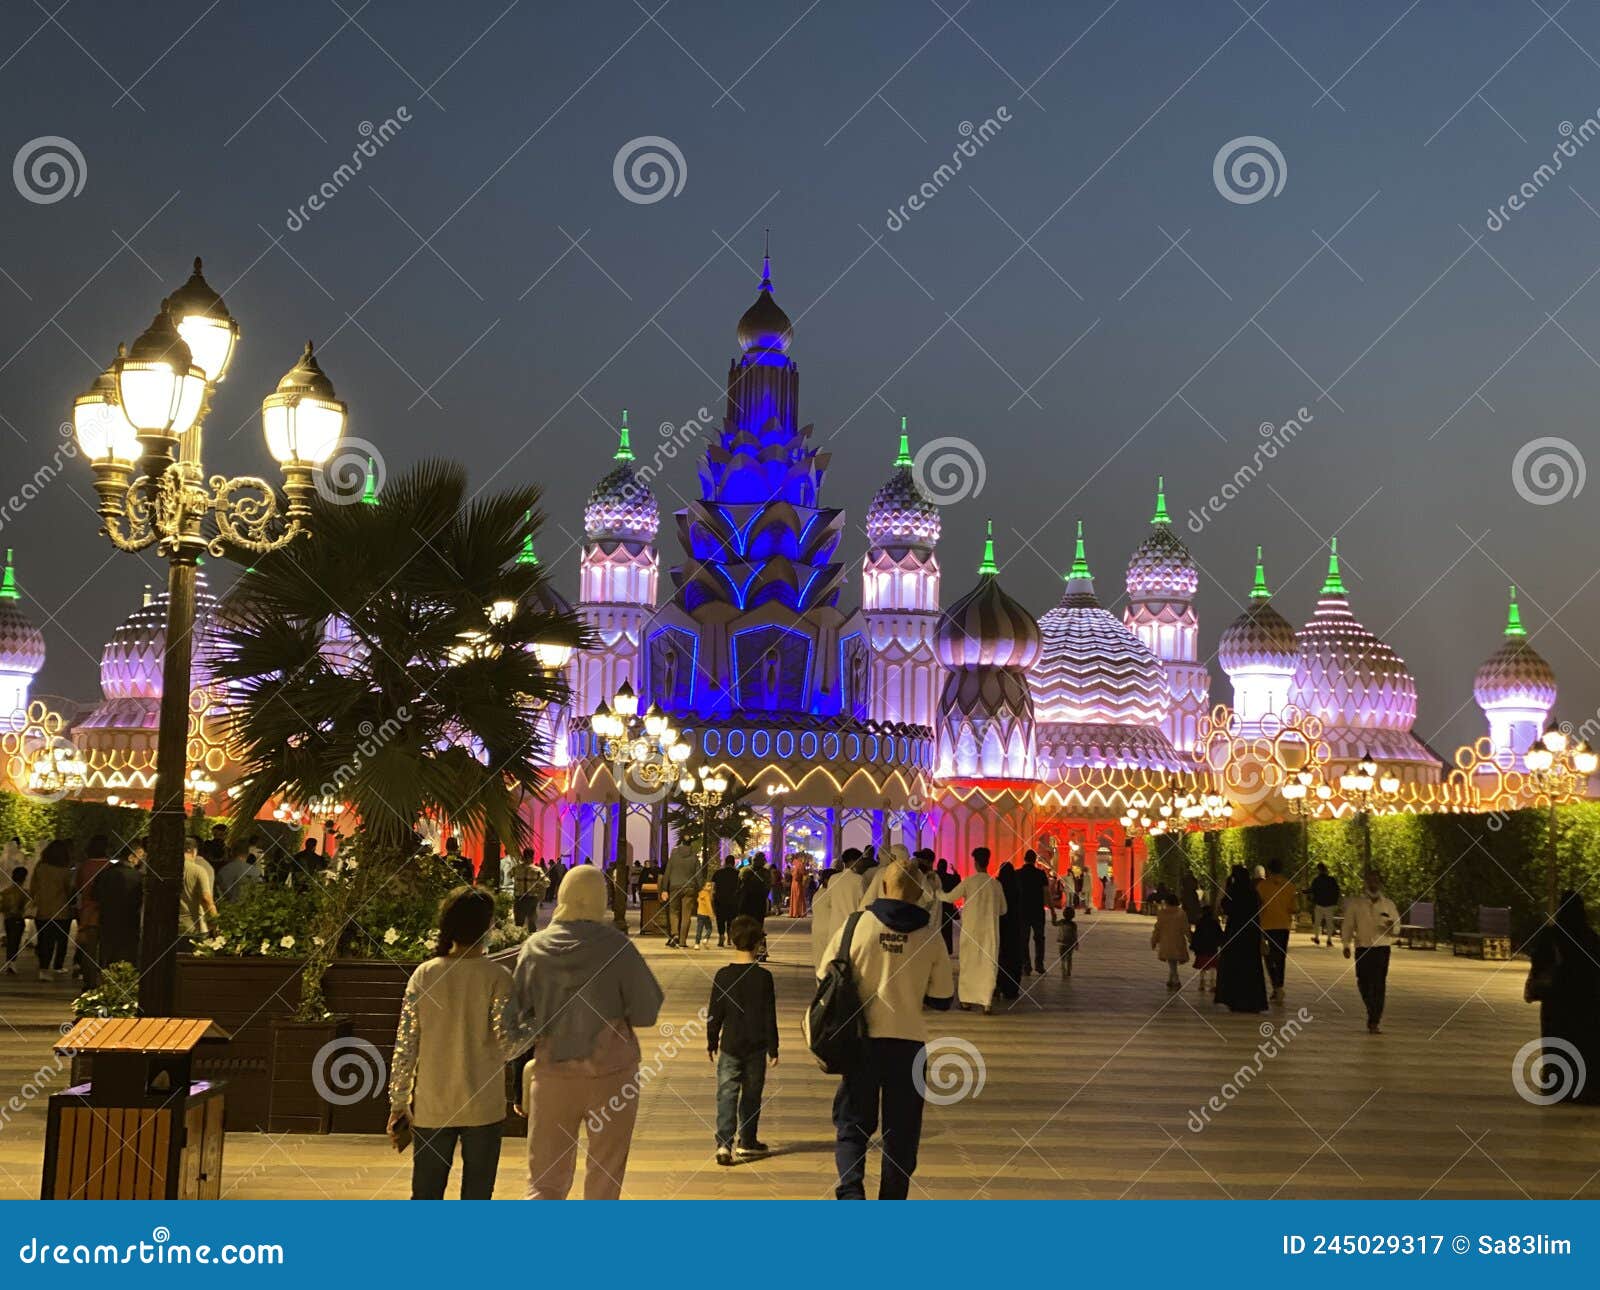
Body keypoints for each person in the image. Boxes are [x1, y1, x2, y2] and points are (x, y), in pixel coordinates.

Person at [513, 865, 664, 1199]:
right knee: (605, 1177)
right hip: (613, 1077)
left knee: (544, 1179)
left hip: (552, 1076)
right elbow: (647, 1012)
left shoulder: (535, 949)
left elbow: (518, 1015)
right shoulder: (618, 947)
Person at [820, 859, 954, 1200]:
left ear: (882, 887)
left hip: (861, 1042)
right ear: (920, 893)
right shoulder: (930, 935)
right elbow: (942, 997)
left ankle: (851, 1194)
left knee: (853, 1124)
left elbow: (824, 976)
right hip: (908, 1045)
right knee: (901, 1133)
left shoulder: (856, 926)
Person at [388, 886, 535, 1199]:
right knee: (477, 1196)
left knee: (426, 1195)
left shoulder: (424, 975)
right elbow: (510, 1045)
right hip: (484, 1107)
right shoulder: (497, 977)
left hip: (433, 1104)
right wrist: (539, 1022)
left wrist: (399, 1102)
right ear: (488, 926)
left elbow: (406, 1046)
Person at [708, 915, 779, 1164]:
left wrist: (711, 1041)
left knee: (726, 1094)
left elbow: (715, 1013)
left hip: (730, 1045)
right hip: (756, 1046)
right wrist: (773, 1048)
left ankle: (724, 1144)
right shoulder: (764, 978)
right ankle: (747, 1141)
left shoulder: (723, 976)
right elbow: (769, 1015)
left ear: (731, 940)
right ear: (759, 943)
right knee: (751, 1094)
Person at [1523, 891, 1600, 1103]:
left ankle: (1558, 1084)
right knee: (1585, 1042)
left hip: (1557, 1000)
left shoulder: (1552, 936)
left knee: (1557, 1041)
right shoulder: (1591, 938)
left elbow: (1540, 963)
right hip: (1587, 1001)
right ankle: (1588, 1087)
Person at [940, 847, 1007, 1012]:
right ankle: (986, 1003)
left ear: (975, 863)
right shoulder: (995, 884)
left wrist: (935, 892)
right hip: (990, 933)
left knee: (968, 964)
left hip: (970, 931)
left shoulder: (969, 882)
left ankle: (966, 1001)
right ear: (988, 862)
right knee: (988, 965)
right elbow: (1003, 910)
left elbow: (950, 897)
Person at [1341, 870, 1400, 1033]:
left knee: (1379, 983)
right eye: (1370, 880)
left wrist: (1392, 927)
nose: (1373, 883)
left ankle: (1375, 1019)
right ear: (1365, 883)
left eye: (1376, 880)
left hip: (1382, 948)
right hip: (1363, 947)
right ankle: (1371, 1008)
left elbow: (1397, 925)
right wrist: (1346, 944)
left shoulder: (1388, 904)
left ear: (1380, 883)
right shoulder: (1356, 904)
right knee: (1363, 981)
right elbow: (1348, 925)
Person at [1215, 865, 1267, 1013]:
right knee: (1251, 966)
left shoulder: (1233, 891)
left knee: (1234, 965)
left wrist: (1227, 886)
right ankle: (1253, 1000)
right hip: (1251, 932)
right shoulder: (1252, 892)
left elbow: (1225, 907)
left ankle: (1234, 998)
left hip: (1235, 931)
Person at [28, 840, 73, 981]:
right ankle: (58, 965)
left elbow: (33, 887)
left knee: (44, 940)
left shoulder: (40, 867)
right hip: (61, 910)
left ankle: (43, 968)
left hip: (43, 910)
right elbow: (69, 889)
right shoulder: (65, 870)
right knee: (61, 939)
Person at [93, 848, 143, 972]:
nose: (141, 859)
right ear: (131, 857)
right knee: (127, 955)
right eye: (139, 856)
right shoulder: (137, 876)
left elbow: (95, 895)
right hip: (130, 922)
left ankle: (106, 976)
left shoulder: (105, 874)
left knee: (108, 954)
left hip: (107, 920)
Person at [73, 834, 111, 988]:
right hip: (106, 913)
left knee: (89, 951)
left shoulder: (84, 866)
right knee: (105, 951)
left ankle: (89, 983)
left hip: (87, 914)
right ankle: (104, 983)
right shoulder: (110, 867)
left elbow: (78, 888)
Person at [1256, 858, 1295, 1004]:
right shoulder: (1290, 886)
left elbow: (1258, 906)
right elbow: (1293, 908)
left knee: (1268, 956)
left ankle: (1275, 986)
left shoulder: (1262, 886)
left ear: (1269, 870)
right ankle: (1280, 985)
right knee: (1280, 957)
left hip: (1266, 925)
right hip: (1283, 925)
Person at [177, 836, 217, 947]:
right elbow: (206, 899)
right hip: (196, 927)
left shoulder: (169, 869)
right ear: (193, 851)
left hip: (174, 926)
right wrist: (215, 922)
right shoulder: (199, 870)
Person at [662, 841, 703, 949]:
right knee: (686, 915)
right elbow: (698, 874)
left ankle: (675, 934)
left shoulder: (673, 855)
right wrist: (700, 888)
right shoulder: (694, 856)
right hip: (689, 888)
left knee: (673, 912)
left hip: (674, 887)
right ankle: (682, 941)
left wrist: (664, 888)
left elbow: (667, 872)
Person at [1014, 849, 1049, 974]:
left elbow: (1014, 894)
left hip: (1022, 911)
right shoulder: (1041, 874)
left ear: (1025, 859)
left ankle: (1026, 965)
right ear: (1035, 860)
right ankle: (1039, 965)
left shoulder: (1017, 874)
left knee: (1023, 939)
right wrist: (1052, 910)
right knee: (1039, 938)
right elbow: (1046, 893)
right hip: (1037, 911)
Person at [995, 858, 1025, 1000]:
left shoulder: (997, 886)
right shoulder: (1017, 887)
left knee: (1000, 956)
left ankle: (998, 984)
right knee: (1013, 957)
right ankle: (1011, 989)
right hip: (1015, 926)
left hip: (1000, 924)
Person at [1151, 892, 1190, 990]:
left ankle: (1176, 980)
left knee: (1171, 960)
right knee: (1173, 960)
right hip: (1178, 940)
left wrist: (1154, 940)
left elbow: (1158, 928)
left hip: (1166, 940)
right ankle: (1171, 979)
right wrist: (1190, 938)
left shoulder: (1162, 913)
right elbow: (1186, 928)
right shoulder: (1181, 913)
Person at [737, 853, 772, 959]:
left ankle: (746, 948)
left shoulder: (744, 871)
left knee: (746, 925)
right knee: (758, 926)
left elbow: (738, 887)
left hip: (745, 902)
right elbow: (767, 888)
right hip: (759, 903)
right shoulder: (766, 873)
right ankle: (760, 949)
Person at [1, 867, 28, 975]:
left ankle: (9, 962)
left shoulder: (6, 891)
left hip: (8, 919)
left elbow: (2, 907)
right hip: (18, 919)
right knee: (15, 941)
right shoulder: (24, 892)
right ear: (24, 878)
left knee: (11, 940)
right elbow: (26, 908)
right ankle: (11, 962)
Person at [1190, 904, 1222, 994]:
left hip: (1202, 948)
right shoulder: (1215, 923)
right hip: (1212, 948)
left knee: (1202, 967)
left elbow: (1196, 935)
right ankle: (1213, 984)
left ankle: (1202, 983)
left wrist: (1194, 946)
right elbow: (1219, 934)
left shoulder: (1200, 922)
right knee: (1213, 966)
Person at [513, 849, 548, 930]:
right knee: (532, 924)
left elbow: (508, 876)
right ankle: (531, 937)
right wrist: (538, 884)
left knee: (518, 924)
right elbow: (547, 882)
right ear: (531, 857)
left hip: (519, 899)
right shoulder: (537, 870)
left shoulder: (516, 868)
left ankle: (518, 937)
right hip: (532, 899)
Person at [711, 855, 741, 947]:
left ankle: (721, 936)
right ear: (733, 863)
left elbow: (713, 888)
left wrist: (712, 898)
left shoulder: (718, 873)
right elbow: (740, 888)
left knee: (720, 919)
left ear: (725, 862)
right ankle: (729, 938)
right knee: (731, 919)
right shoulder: (738, 873)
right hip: (733, 900)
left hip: (720, 899)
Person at [1309, 863, 1340, 946]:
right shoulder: (1331, 880)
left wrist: (1312, 899)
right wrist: (1335, 902)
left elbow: (1312, 890)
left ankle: (1316, 937)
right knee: (1329, 923)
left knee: (1317, 922)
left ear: (1319, 870)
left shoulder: (1316, 880)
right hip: (1329, 904)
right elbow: (1337, 891)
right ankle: (1329, 940)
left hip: (1319, 904)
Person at [935, 858, 959, 951]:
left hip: (936, 906)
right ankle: (948, 949)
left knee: (936, 929)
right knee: (947, 930)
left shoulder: (934, 876)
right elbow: (957, 882)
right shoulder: (950, 878)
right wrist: (955, 872)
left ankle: (936, 950)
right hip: (947, 907)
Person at [1057, 906, 1079, 978]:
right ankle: (1068, 971)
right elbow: (1075, 934)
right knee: (1069, 957)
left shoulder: (1061, 922)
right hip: (1070, 943)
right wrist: (1076, 943)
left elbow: (1054, 923)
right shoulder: (1073, 924)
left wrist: (1053, 915)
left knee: (1062, 957)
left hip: (1061, 942)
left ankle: (1063, 969)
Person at [694, 878, 715, 947]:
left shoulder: (700, 894)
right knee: (709, 929)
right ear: (704, 887)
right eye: (708, 886)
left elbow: (698, 901)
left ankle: (697, 944)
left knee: (699, 929)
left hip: (699, 914)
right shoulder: (707, 895)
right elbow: (708, 905)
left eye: (710, 886)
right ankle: (705, 938)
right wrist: (711, 914)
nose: (710, 887)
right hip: (706, 914)